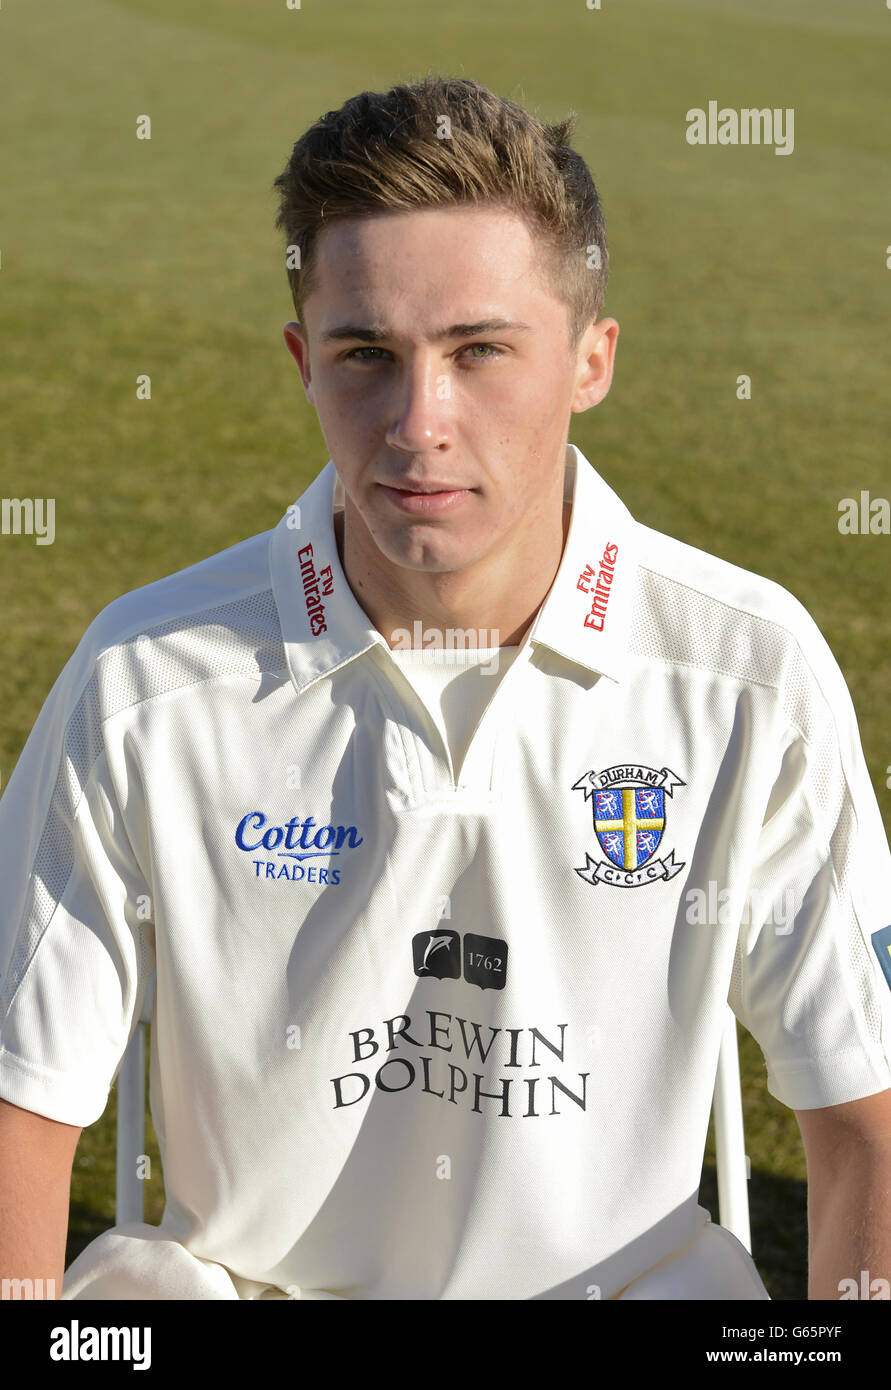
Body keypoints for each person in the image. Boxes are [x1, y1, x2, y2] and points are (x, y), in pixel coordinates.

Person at [1, 73, 890, 1302]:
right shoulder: (145, 679)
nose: (420, 422)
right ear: (303, 361)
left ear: (591, 361)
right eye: (369, 355)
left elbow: (871, 1114)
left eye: (480, 351)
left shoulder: (746, 670)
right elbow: (18, 1106)